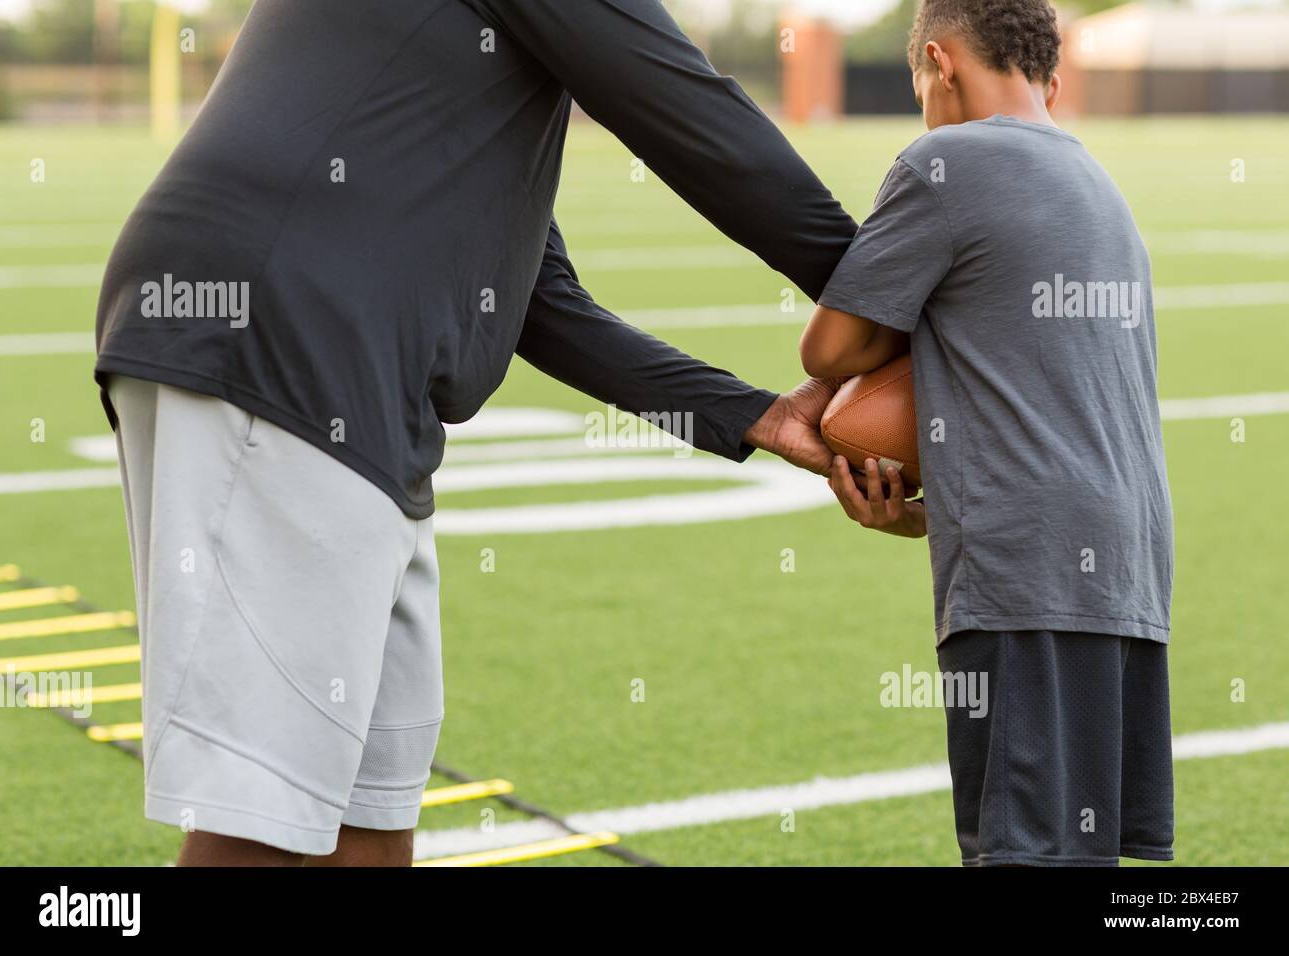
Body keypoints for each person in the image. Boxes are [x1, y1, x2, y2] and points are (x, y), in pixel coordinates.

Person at [95, 0, 853, 866]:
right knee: (266, 829)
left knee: (368, 824)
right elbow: (695, 121)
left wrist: (757, 415)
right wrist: (899, 305)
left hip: (338, 373)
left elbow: (540, 301)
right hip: (281, 336)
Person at [804, 0, 1174, 866]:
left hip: (1027, 576)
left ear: (940, 61)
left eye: (918, 87)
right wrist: (932, 511)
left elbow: (830, 350)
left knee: (1022, 851)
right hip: (1122, 566)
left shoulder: (949, 159)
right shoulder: (1097, 184)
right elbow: (1053, 401)